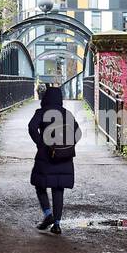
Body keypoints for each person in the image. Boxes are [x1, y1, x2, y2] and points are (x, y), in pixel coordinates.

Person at [28, 84, 81, 234]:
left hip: (46, 155)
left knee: (40, 185)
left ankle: (47, 215)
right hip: (64, 157)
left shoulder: (42, 112)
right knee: (58, 189)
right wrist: (66, 146)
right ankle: (56, 224)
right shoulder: (67, 114)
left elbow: (32, 127)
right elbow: (78, 132)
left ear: (45, 99)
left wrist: (41, 143)